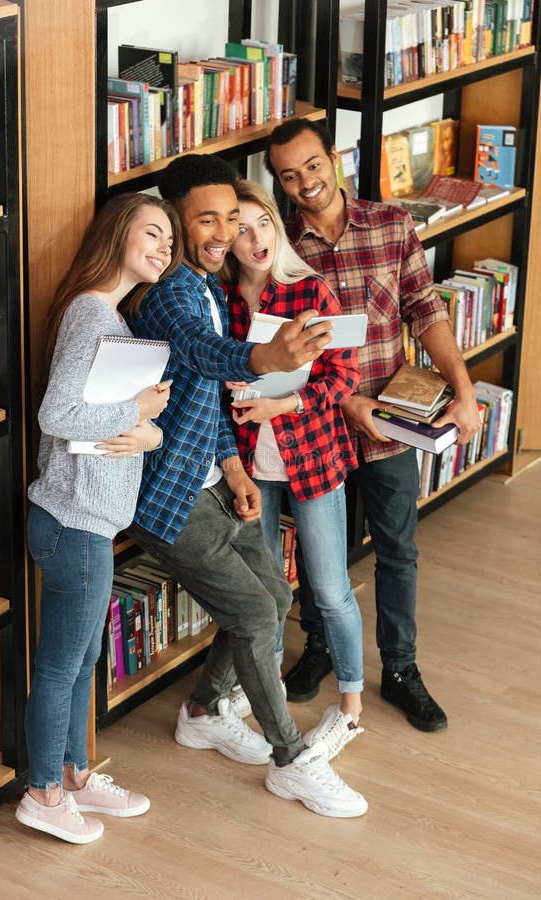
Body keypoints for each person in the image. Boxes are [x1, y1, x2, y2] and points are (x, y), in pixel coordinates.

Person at [127, 153, 368, 818]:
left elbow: (206, 394)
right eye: (207, 218)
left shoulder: (208, 284)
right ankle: (291, 760)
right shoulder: (176, 291)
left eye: (231, 219)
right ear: (174, 220)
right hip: (169, 493)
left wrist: (234, 467)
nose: (223, 232)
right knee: (257, 613)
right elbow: (208, 355)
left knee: (275, 590)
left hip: (212, 476)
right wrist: (268, 358)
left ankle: (204, 710)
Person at [265, 118, 481, 733]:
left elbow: (426, 309)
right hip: (319, 427)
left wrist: (463, 391)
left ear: (332, 158)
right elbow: (278, 350)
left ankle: (403, 670)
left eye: (312, 164)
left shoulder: (390, 223)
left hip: (390, 428)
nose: (305, 181)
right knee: (316, 551)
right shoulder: (281, 247)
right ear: (279, 184)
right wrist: (345, 403)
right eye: (289, 174)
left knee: (397, 550)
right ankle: (319, 650)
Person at [16, 192, 183, 844]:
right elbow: (55, 418)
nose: (164, 247)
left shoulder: (110, 315)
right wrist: (135, 414)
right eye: (152, 232)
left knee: (83, 659)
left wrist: (149, 431)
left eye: (169, 240)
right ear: (116, 236)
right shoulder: (91, 314)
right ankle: (43, 792)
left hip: (93, 520)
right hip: (73, 521)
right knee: (63, 666)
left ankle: (76, 774)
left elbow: (111, 420)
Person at [220, 177, 365, 759]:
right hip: (251, 463)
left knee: (328, 588)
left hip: (311, 458)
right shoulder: (222, 299)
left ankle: (350, 706)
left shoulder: (311, 291)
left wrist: (286, 403)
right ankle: (267, 697)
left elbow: (344, 376)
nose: (255, 239)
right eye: (241, 228)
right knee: (267, 590)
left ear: (278, 227)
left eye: (263, 225)